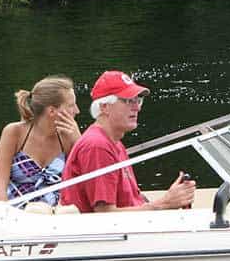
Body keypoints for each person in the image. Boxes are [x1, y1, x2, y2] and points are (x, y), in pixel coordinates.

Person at [60, 70, 196, 212]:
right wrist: (164, 204)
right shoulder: (97, 146)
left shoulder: (114, 141)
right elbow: (105, 215)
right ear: (104, 107)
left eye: (138, 100)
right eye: (128, 101)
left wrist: (170, 201)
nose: (137, 107)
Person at [0, 75, 82, 206]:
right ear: (52, 111)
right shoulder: (14, 133)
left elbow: (86, 180)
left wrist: (79, 141)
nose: (77, 111)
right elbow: (0, 187)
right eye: (71, 105)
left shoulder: (69, 138)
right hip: (11, 211)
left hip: (53, 215)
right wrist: (5, 216)